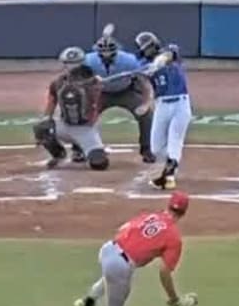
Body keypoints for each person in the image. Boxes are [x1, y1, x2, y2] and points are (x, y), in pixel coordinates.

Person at [73, 189, 197, 306]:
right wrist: (174, 299)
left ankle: (89, 300)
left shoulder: (151, 217)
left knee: (112, 277)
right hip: (121, 264)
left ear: (168, 205)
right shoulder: (174, 238)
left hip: (108, 249)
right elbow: (164, 272)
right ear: (184, 212)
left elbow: (123, 228)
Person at [83, 28, 156, 164]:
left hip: (126, 90)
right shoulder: (88, 61)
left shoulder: (129, 61)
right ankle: (79, 149)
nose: (106, 58)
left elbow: (143, 83)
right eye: (102, 55)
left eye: (110, 55)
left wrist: (146, 103)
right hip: (101, 93)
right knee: (83, 114)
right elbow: (80, 83)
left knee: (147, 115)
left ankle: (147, 149)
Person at [33, 46, 108, 171]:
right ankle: (58, 155)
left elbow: (97, 98)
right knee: (41, 128)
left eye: (75, 63)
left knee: (99, 164)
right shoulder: (58, 83)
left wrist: (96, 85)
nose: (72, 66)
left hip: (86, 129)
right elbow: (51, 103)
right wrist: (45, 122)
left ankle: (81, 150)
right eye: (69, 63)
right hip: (65, 125)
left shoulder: (92, 81)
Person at [137, 30, 191, 190]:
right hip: (162, 105)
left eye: (150, 47)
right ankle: (170, 165)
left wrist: (161, 60)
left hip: (181, 103)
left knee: (175, 138)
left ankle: (170, 172)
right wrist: (147, 71)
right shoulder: (142, 65)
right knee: (156, 147)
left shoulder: (170, 51)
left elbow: (171, 53)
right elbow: (144, 80)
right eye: (145, 49)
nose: (148, 51)